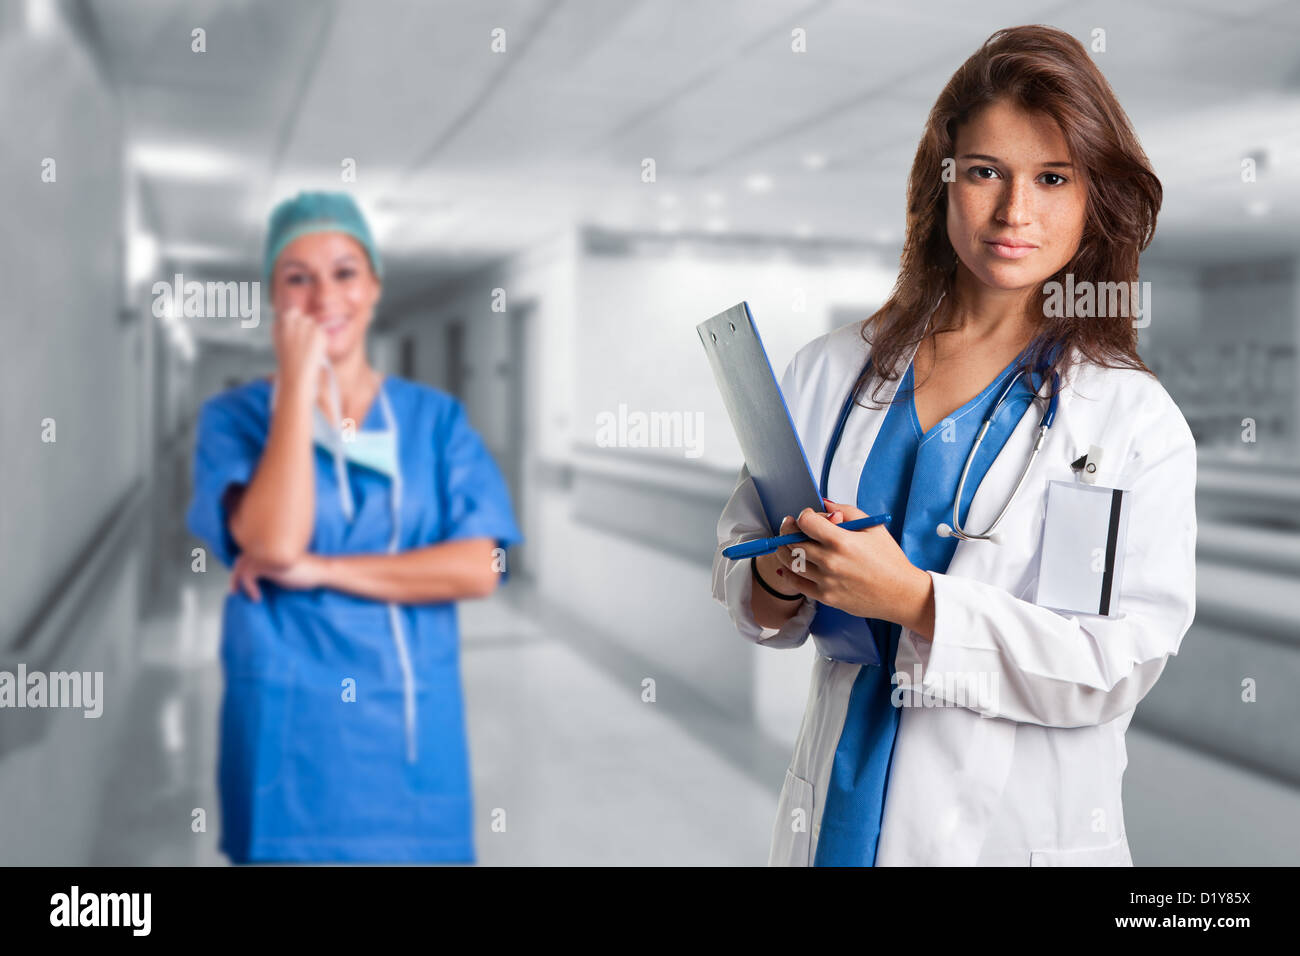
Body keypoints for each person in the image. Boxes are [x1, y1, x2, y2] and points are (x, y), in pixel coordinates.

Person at [711, 26, 1196, 866]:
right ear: (941, 184)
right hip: (839, 817)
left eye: (1053, 178)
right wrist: (775, 575)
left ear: (1095, 199)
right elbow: (736, 567)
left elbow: (1118, 663)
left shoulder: (1130, 420)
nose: (1016, 212)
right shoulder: (828, 370)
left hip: (1016, 834)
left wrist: (916, 601)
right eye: (985, 173)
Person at [186, 191, 522, 863]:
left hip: (407, 735)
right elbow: (274, 542)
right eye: (296, 278)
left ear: (372, 286)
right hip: (288, 743)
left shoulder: (436, 422)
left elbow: (477, 570)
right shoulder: (234, 419)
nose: (322, 297)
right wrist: (297, 389)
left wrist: (321, 570)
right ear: (272, 298)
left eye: (343, 272)